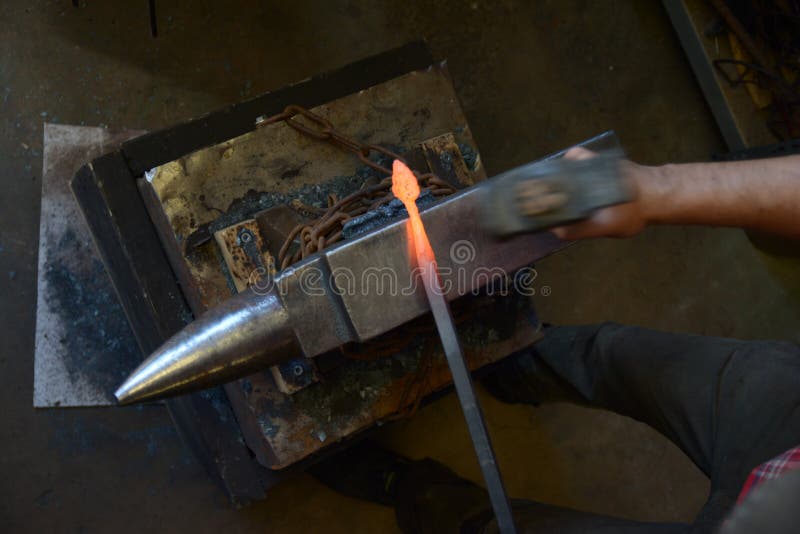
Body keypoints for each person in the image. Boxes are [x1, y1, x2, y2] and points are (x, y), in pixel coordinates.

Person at [310, 149, 800, 533]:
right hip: (788, 421)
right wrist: (655, 189)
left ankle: (412, 491)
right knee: (612, 356)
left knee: (495, 528)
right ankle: (513, 362)